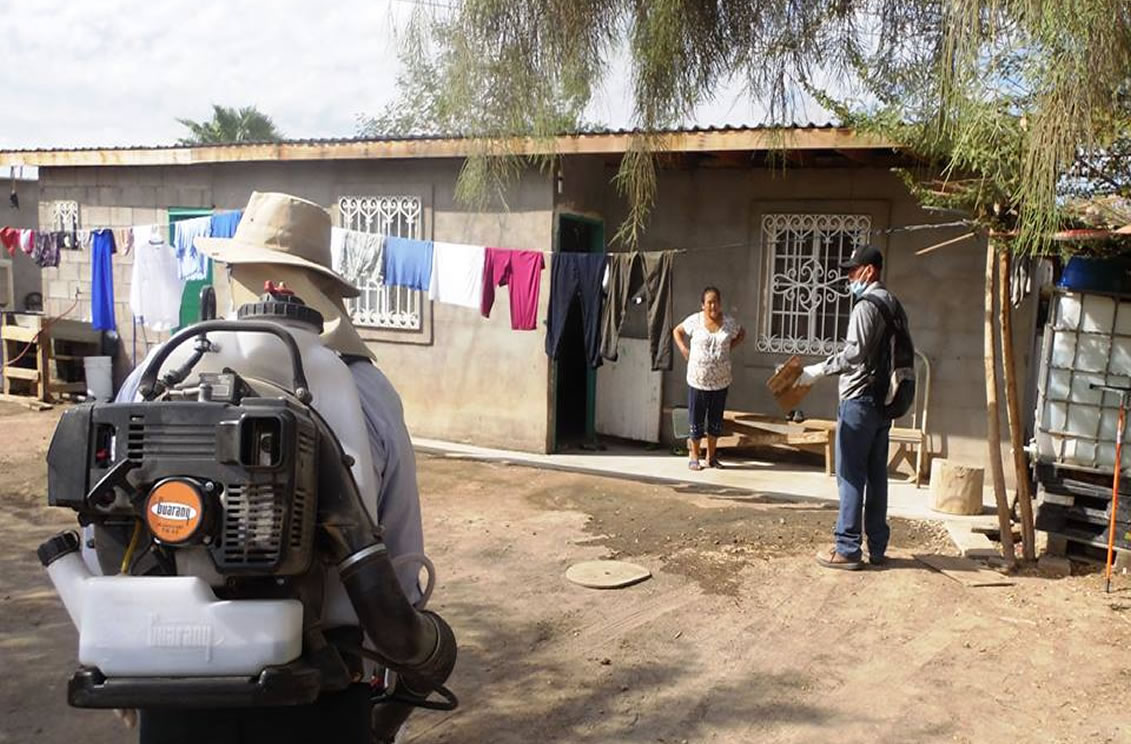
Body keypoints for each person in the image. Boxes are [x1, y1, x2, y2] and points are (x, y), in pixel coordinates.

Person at [112, 192, 426, 743]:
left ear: (237, 277)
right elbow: (397, 556)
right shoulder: (366, 391)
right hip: (323, 691)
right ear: (323, 290)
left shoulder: (157, 373)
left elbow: (107, 531)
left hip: (175, 681)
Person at [794, 244, 909, 571]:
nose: (848, 277)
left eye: (853, 270)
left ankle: (846, 548)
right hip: (884, 402)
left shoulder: (866, 306)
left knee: (850, 475)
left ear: (869, 271)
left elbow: (854, 353)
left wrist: (817, 370)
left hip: (858, 400)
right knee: (876, 476)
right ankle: (877, 547)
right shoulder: (894, 305)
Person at [672, 286, 745, 471]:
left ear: (720, 304)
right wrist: (683, 349)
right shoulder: (694, 321)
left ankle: (711, 457)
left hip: (721, 381)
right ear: (702, 305)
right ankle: (694, 456)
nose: (712, 306)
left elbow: (741, 333)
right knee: (696, 419)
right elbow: (677, 331)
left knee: (715, 421)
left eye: (716, 302)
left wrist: (728, 348)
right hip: (698, 380)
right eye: (709, 302)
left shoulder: (729, 322)